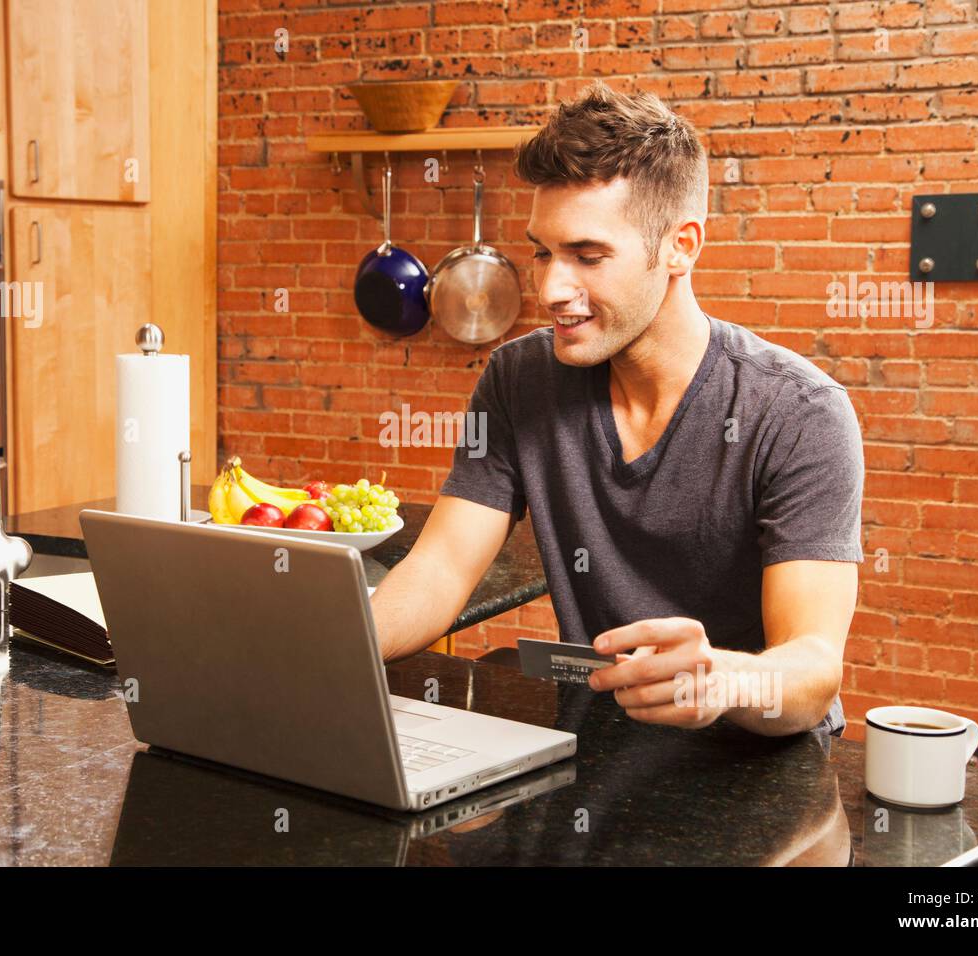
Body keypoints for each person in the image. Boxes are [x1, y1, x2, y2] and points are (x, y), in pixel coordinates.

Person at [369, 81, 863, 736]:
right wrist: (323, 648)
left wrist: (720, 678)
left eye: (588, 256)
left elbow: (813, 667)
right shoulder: (519, 379)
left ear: (681, 247)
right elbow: (440, 569)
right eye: (543, 252)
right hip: (607, 745)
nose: (550, 289)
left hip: (761, 768)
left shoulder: (800, 413)